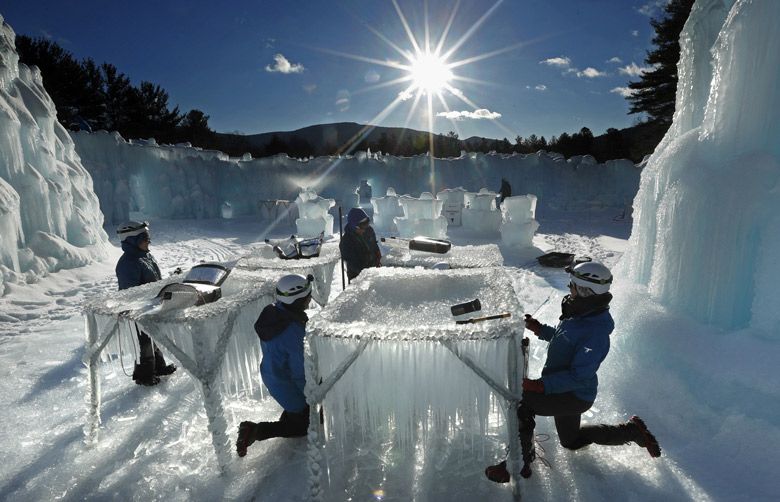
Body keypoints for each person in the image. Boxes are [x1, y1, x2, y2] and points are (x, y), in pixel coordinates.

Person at [486, 261, 661, 483]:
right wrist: (541, 329)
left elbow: (580, 376)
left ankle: (519, 462)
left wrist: (540, 386)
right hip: (566, 390)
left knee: (524, 403)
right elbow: (565, 339)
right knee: (571, 441)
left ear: (587, 291)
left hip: (574, 395)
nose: (570, 289)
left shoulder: (595, 332)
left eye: (573, 286)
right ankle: (631, 431)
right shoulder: (582, 313)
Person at [236, 274, 314, 457]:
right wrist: (312, 393)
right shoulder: (293, 333)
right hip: (286, 383)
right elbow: (299, 372)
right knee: (303, 426)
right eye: (308, 296)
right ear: (298, 300)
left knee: (300, 413)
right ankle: (253, 431)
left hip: (274, 375)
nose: (311, 299)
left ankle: (294, 414)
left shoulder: (276, 314)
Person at [115, 221, 176, 386]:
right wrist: (137, 307)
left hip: (151, 305)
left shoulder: (145, 256)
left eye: (148, 238)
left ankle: (159, 367)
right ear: (132, 241)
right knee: (143, 341)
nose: (148, 241)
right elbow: (130, 292)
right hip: (139, 308)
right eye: (144, 238)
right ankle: (144, 375)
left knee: (153, 336)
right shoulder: (128, 263)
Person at [339, 207, 381, 281]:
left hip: (374, 272)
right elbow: (353, 264)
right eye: (362, 227)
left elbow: (374, 246)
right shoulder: (346, 241)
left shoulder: (369, 230)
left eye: (366, 225)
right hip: (358, 278)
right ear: (354, 226)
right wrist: (367, 274)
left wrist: (377, 255)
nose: (365, 229)